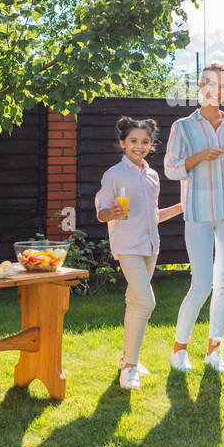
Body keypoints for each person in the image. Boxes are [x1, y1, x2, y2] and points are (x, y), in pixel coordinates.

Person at [163, 62, 224, 374]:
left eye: (223, 86)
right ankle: (179, 351)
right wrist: (197, 157)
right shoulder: (183, 126)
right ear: (200, 87)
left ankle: (214, 351)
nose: (217, 92)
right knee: (201, 284)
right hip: (199, 213)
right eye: (211, 85)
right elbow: (171, 169)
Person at [94, 116, 183, 390]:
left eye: (144, 142)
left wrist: (182, 206)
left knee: (135, 301)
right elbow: (101, 212)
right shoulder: (114, 174)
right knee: (146, 302)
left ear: (151, 145)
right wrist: (112, 212)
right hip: (127, 245)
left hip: (150, 246)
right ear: (122, 143)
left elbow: (153, 215)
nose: (139, 146)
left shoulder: (153, 176)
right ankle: (130, 368)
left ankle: (127, 359)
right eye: (133, 141)